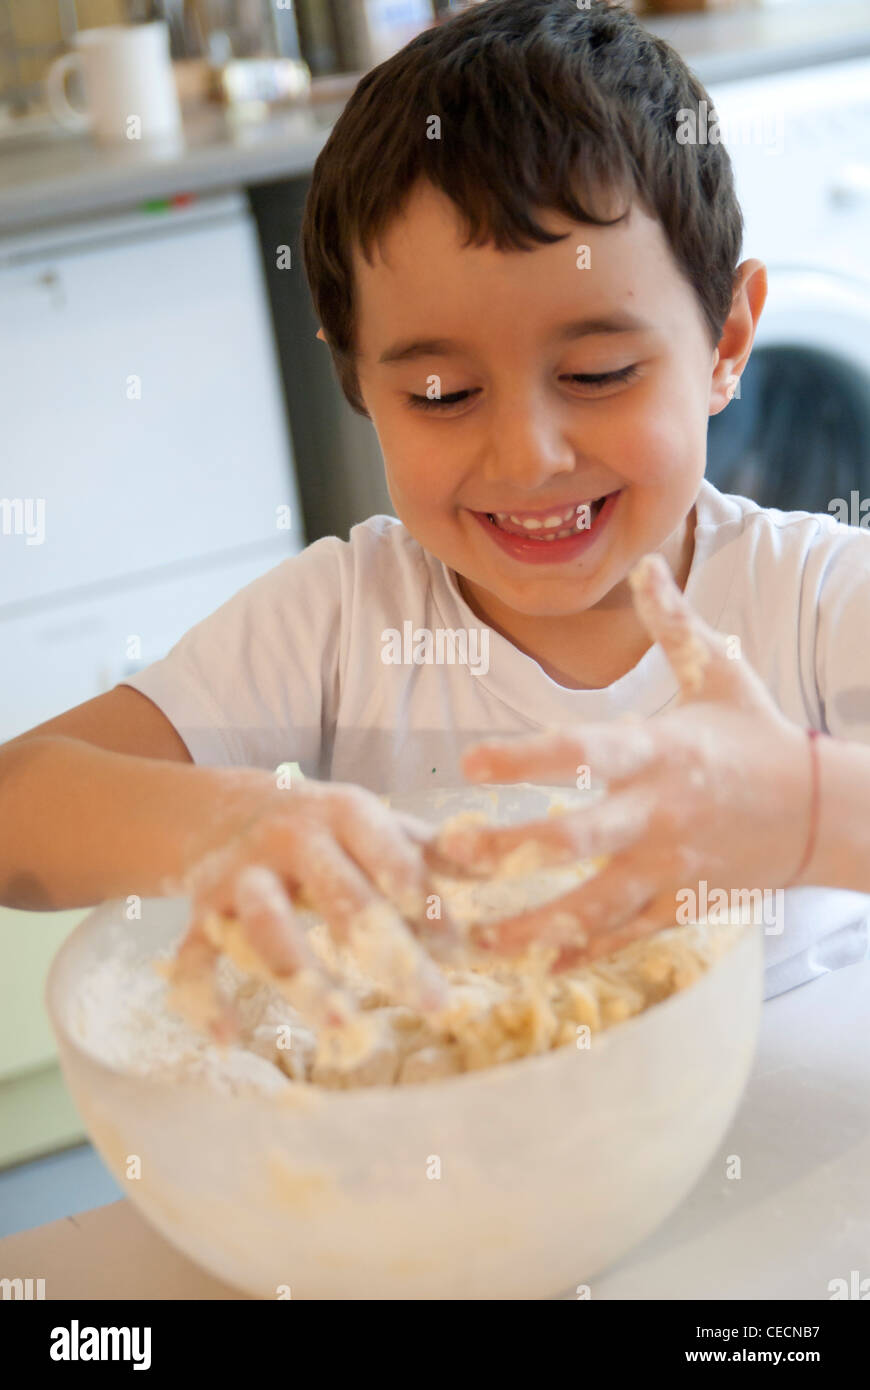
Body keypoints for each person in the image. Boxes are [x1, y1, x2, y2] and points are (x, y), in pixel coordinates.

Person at [3, 0, 869, 1031]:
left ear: (726, 342)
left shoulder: (812, 599)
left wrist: (814, 812)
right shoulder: (336, 625)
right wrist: (220, 823)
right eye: (443, 396)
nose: (529, 454)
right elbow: (20, 805)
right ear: (360, 382)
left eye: (596, 371)